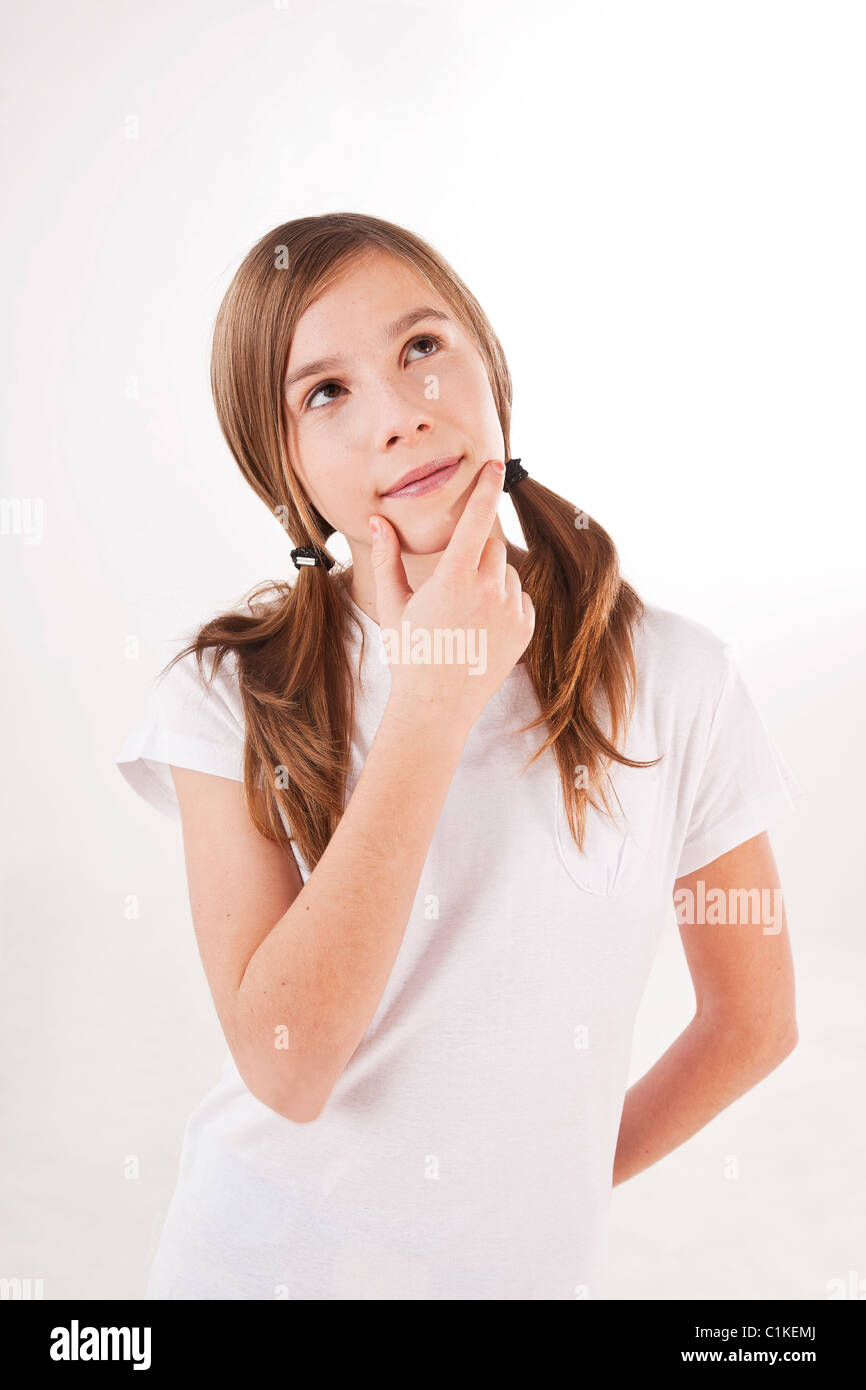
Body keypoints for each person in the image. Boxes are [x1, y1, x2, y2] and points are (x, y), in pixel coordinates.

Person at [115, 212, 804, 1300]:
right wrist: (429, 704)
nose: (399, 416)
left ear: (489, 367)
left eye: (421, 349)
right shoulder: (230, 695)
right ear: (278, 460)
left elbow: (752, 1023)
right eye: (324, 392)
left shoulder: (676, 676)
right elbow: (288, 1068)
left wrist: (529, 1203)